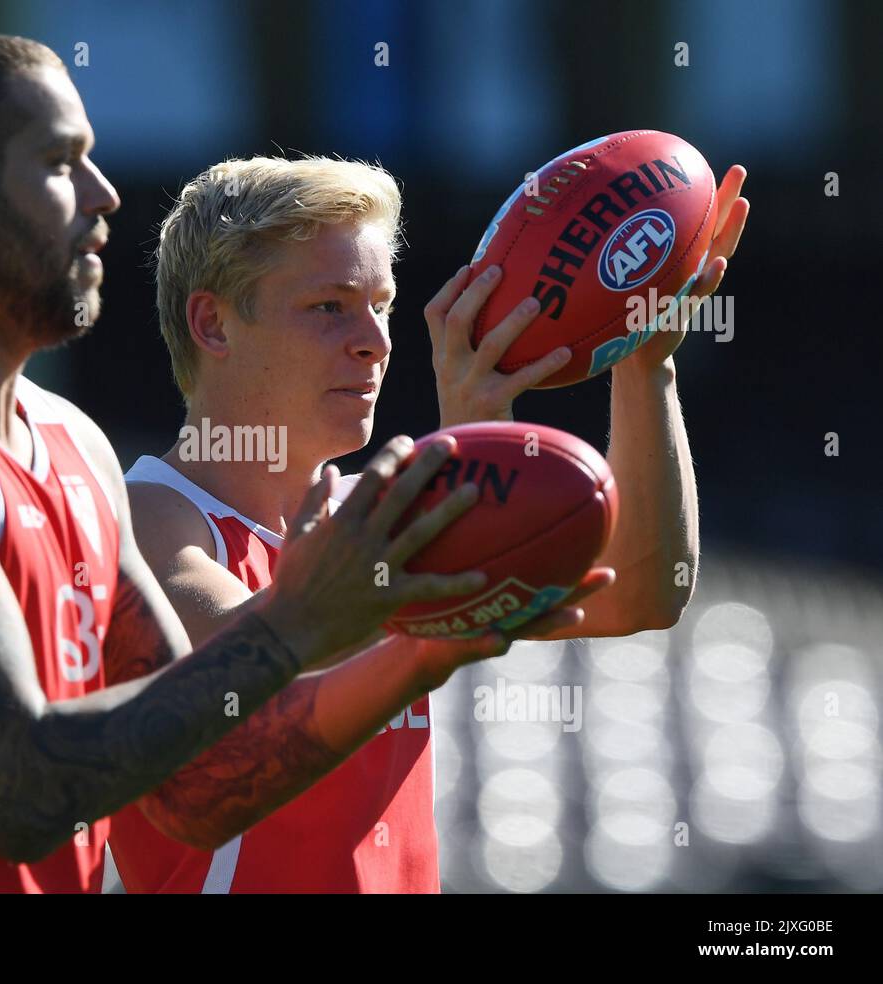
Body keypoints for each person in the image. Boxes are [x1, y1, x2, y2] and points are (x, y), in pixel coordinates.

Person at [0, 30, 511, 893]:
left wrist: (422, 644)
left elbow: (194, 786)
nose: (104, 195)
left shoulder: (75, 444)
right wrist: (301, 621)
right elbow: (18, 791)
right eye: (61, 162)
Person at [106, 154, 748, 892]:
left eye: (380, 304)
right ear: (213, 323)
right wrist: (465, 478)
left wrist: (643, 362)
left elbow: (644, 590)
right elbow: (261, 664)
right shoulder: (146, 516)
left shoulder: (372, 516)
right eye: (329, 307)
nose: (375, 340)